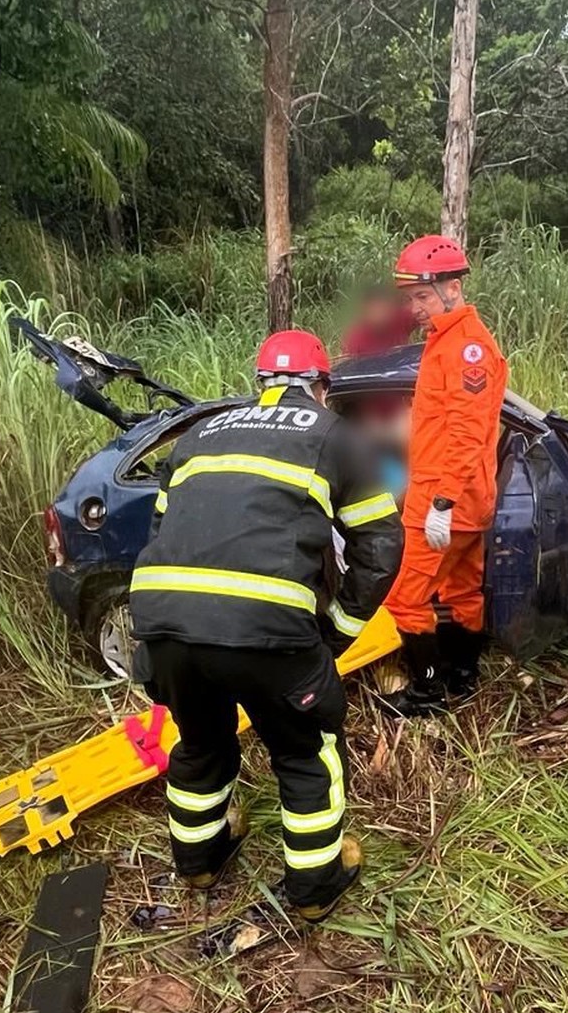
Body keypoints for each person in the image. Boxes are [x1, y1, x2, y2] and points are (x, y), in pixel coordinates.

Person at [129, 331, 403, 922]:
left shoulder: (200, 434)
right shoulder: (336, 436)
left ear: (260, 384)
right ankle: (315, 888)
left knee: (199, 740)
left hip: (165, 626)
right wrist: (336, 633)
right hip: (269, 633)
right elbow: (381, 546)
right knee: (305, 752)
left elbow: (158, 531)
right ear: (322, 387)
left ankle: (199, 861)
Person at [379, 234, 508, 717]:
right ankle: (461, 676)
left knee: (404, 598)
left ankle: (426, 692)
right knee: (460, 592)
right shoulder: (448, 339)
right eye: (409, 297)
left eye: (422, 296)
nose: (413, 307)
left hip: (444, 501)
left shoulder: (466, 348)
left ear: (452, 288)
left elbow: (467, 434)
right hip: (464, 501)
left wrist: (441, 503)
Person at [341, 285, 417, 359]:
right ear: (365, 311)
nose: (382, 316)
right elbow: (349, 365)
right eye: (377, 311)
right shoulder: (356, 340)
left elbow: (421, 311)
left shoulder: (401, 319)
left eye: (386, 310)